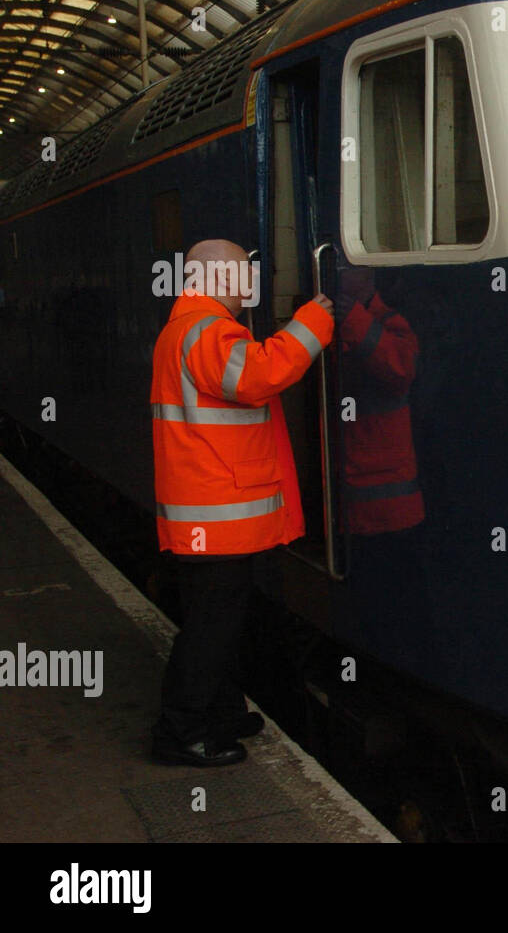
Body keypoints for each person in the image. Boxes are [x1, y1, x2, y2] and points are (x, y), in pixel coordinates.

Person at [150, 238, 334, 767]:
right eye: (241, 274)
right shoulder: (206, 330)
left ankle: (221, 713)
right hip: (216, 516)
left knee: (220, 622)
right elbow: (259, 376)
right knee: (211, 628)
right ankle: (180, 731)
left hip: (211, 512)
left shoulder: (187, 327)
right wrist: (311, 325)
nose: (249, 283)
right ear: (215, 279)